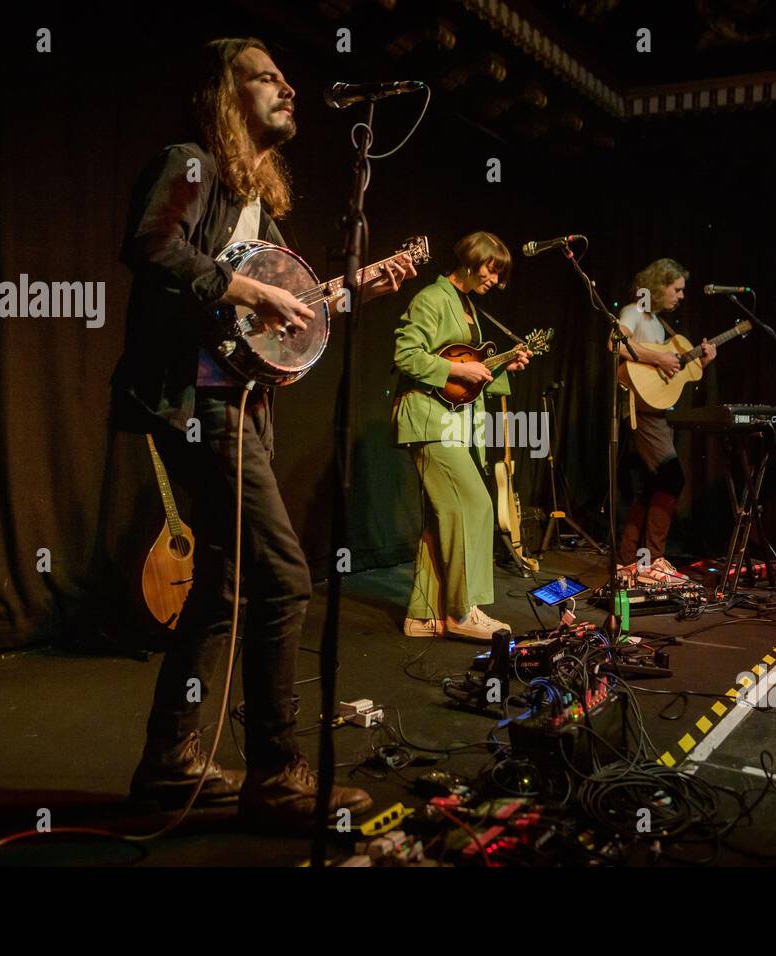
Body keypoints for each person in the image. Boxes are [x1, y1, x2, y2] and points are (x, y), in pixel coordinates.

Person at [110, 37, 414, 828]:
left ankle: (171, 762)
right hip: (198, 404)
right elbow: (149, 245)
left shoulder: (257, 205)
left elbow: (273, 321)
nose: (288, 89)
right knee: (281, 579)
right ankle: (278, 773)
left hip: (242, 405)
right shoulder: (192, 162)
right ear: (226, 90)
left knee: (225, 586)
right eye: (267, 77)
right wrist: (244, 284)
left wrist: (351, 291)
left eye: (286, 78)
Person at [392, 232, 532, 641]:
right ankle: (460, 612)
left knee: (444, 521)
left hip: (453, 420)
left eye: (499, 274)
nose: (495, 280)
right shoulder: (432, 298)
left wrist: (503, 366)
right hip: (428, 420)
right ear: (471, 260)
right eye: (491, 269)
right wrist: (458, 371)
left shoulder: (468, 306)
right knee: (474, 505)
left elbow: (469, 373)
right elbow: (405, 354)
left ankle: (422, 616)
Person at [612, 258, 715, 585]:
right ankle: (653, 559)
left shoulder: (658, 323)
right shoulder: (634, 312)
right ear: (660, 285)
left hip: (656, 411)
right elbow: (616, 342)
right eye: (677, 289)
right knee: (672, 476)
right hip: (640, 409)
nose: (682, 296)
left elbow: (674, 367)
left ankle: (629, 560)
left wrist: (700, 360)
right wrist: (658, 357)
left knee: (655, 483)